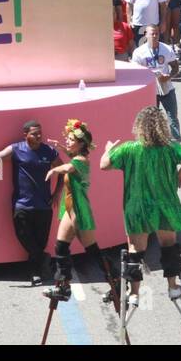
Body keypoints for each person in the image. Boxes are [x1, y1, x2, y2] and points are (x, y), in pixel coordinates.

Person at [101, 105, 181, 311]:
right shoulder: (171, 147)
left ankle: (134, 293)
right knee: (169, 245)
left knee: (135, 249)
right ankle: (173, 287)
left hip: (137, 207)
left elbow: (104, 165)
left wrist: (108, 150)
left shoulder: (129, 149)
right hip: (164, 205)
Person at [0, 119, 61, 286]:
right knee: (25, 238)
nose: (38, 136)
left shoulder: (49, 151)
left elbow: (63, 171)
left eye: (39, 133)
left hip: (44, 206)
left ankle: (35, 272)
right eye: (34, 133)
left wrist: (57, 192)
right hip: (21, 205)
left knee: (40, 242)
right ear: (26, 135)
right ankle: (43, 260)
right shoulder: (16, 149)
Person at [41, 119, 112, 302]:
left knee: (92, 250)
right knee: (61, 246)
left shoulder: (81, 161)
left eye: (71, 139)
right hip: (70, 207)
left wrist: (54, 170)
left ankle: (116, 280)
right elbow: (71, 159)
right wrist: (61, 149)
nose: (67, 141)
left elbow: (69, 166)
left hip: (79, 210)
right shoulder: (78, 156)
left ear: (81, 143)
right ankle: (64, 285)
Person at [131, 25, 181, 141]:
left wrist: (168, 76)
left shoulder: (166, 49)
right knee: (151, 120)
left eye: (157, 34)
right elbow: (135, 73)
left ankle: (176, 148)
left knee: (172, 118)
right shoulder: (139, 53)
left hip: (166, 89)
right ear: (145, 35)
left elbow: (175, 67)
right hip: (150, 91)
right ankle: (153, 145)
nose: (154, 36)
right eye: (152, 33)